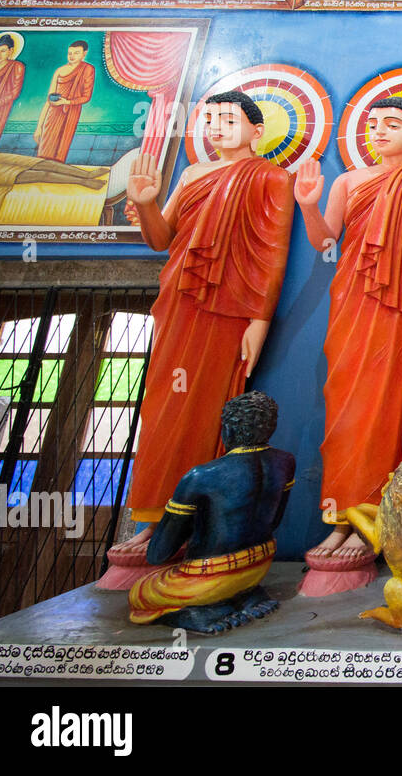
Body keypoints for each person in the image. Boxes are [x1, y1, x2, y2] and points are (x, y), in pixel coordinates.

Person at [116, 90, 293, 552]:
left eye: (228, 119)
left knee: (210, 401)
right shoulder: (193, 173)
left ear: (257, 130)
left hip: (229, 304)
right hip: (180, 296)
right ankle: (153, 516)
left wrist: (260, 319)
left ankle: (193, 519)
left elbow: (273, 254)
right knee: (162, 404)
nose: (216, 127)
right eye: (209, 119)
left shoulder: (271, 178)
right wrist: (148, 203)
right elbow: (160, 240)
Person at [293, 97, 402, 561]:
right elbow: (326, 241)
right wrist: (307, 205)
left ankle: (372, 520)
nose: (380, 131)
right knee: (344, 405)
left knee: (383, 406)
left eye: (393, 124)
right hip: (350, 300)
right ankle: (338, 517)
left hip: (399, 310)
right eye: (374, 124)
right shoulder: (347, 181)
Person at [129, 392, 295, 634]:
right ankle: (245, 597)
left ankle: (201, 611)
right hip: (259, 563)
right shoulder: (285, 461)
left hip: (209, 575)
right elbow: (275, 520)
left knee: (140, 593)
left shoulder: (201, 476)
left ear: (227, 430)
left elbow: (159, 553)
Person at [33, 39, 94, 162]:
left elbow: (86, 97)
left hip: (71, 112)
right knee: (45, 148)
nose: (72, 56)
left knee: (61, 148)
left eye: (76, 53)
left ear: (84, 54)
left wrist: (67, 102)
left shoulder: (87, 69)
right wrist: (39, 127)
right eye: (70, 53)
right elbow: (48, 100)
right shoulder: (60, 70)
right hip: (53, 113)